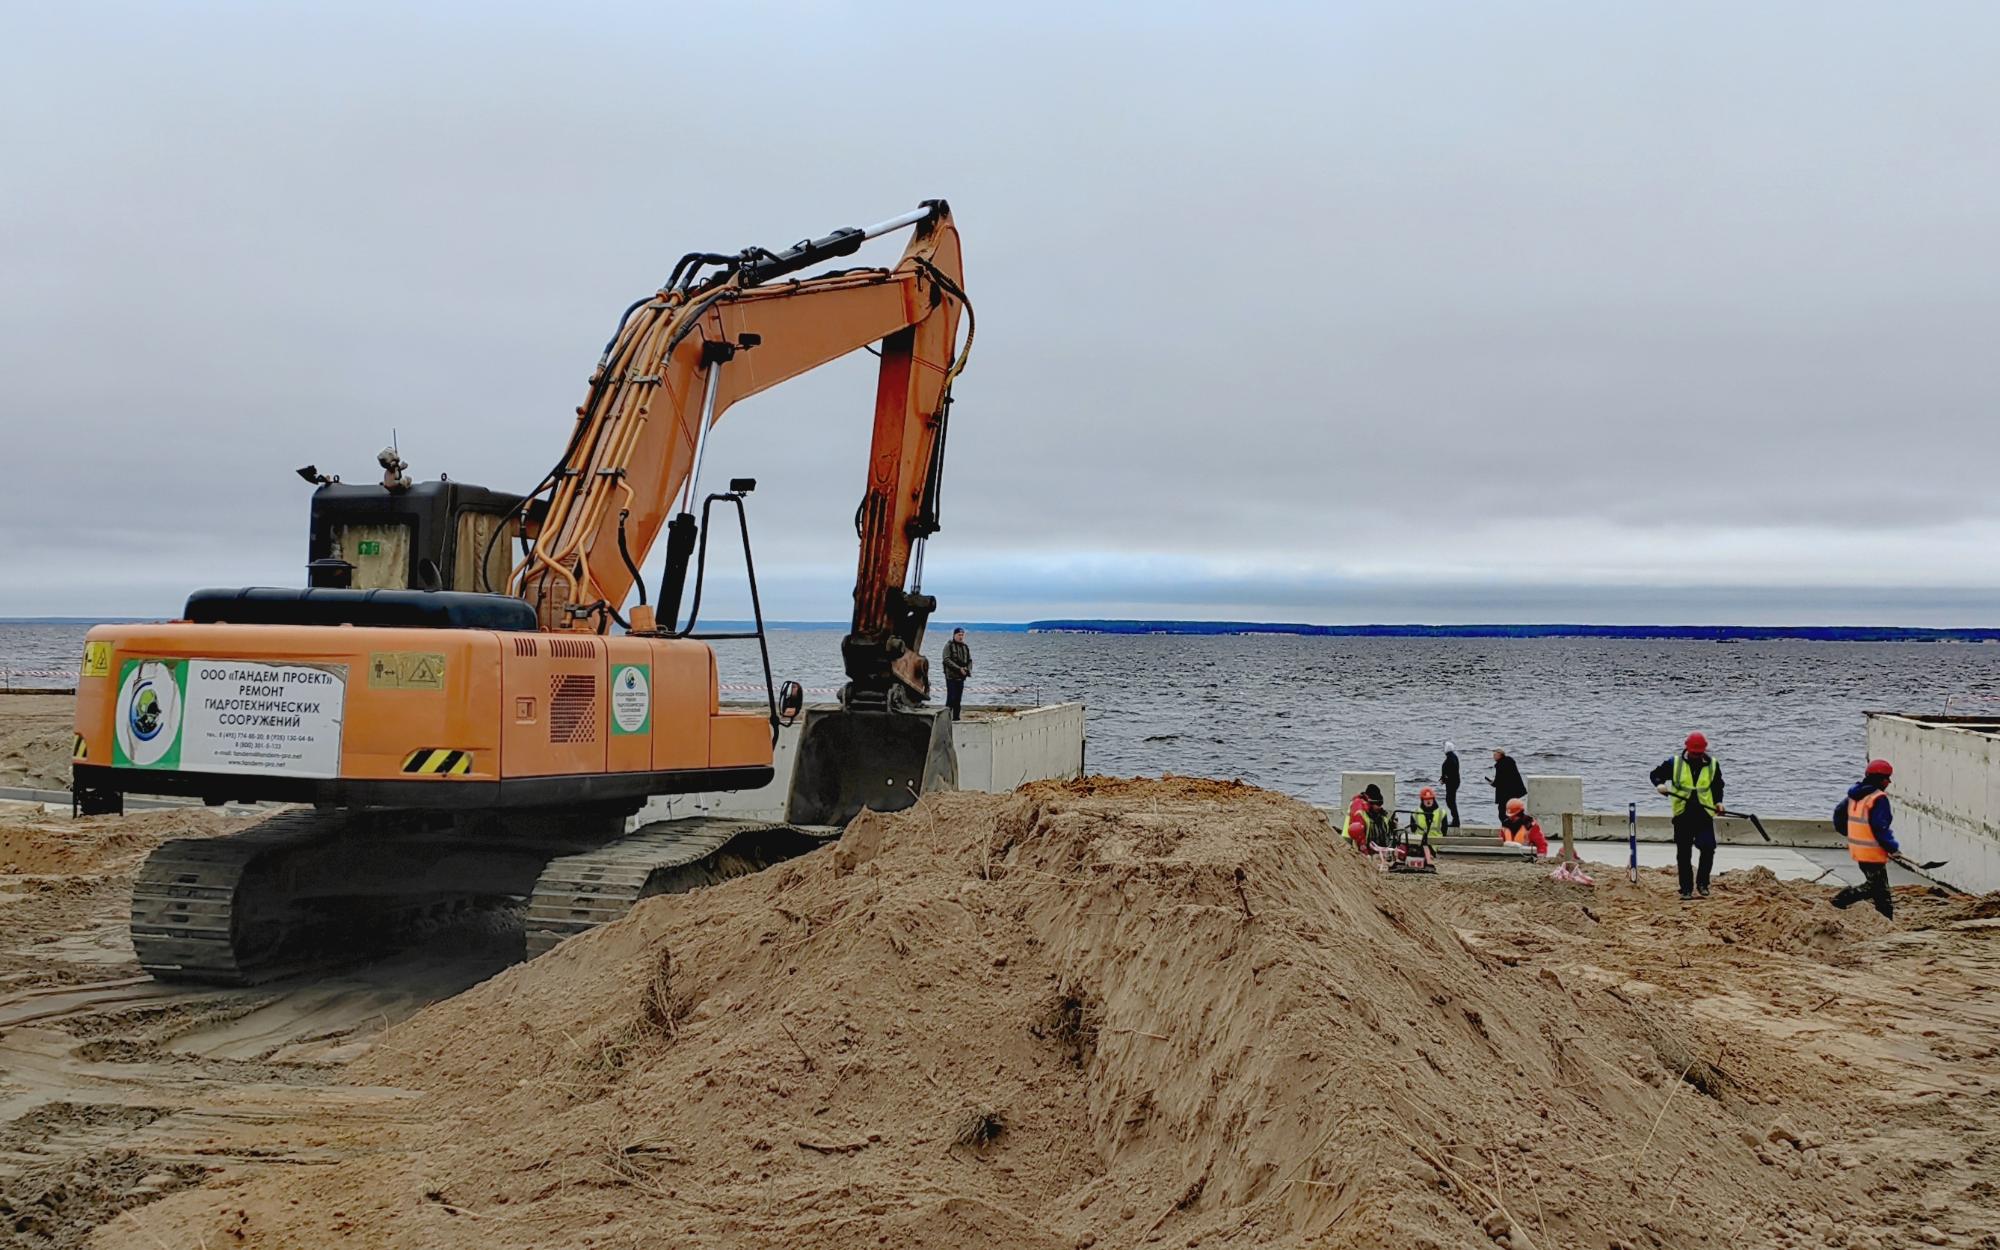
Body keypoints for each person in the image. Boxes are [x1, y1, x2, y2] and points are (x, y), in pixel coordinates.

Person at [1649, 732, 1725, 901]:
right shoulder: (1674, 763)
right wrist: (1660, 784)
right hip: (1683, 813)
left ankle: (1703, 884)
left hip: (1704, 813)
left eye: (1699, 753)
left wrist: (1719, 802)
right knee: (1684, 853)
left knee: (1708, 848)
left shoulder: (1712, 765)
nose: (1696, 756)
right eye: (1693, 753)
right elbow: (1655, 774)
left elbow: (1717, 786)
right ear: (1687, 749)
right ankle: (1686, 889)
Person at [1831, 760, 1900, 919]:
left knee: (1880, 887)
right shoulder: (1878, 798)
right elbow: (1880, 828)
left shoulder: (1855, 796)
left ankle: (1885, 918)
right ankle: (1841, 899)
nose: (1889, 782)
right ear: (1878, 779)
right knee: (1875, 887)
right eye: (1886, 778)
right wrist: (1892, 848)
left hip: (1859, 849)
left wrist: (1853, 834)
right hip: (1872, 851)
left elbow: (1839, 816)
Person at [1405, 786, 1448, 866]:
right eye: (1426, 799)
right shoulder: (1415, 812)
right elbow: (1413, 829)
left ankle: (1428, 856)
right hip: (1419, 843)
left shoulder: (1442, 812)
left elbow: (1444, 830)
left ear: (1433, 799)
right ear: (1422, 800)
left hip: (1436, 844)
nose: (1428, 801)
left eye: (1430, 799)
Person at [1487, 748, 1527, 825]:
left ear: (1500, 754)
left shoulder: (1500, 765)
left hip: (1505, 793)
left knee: (1502, 813)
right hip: (1515, 791)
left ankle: (1508, 828)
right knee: (1513, 811)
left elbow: (1499, 780)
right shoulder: (1509, 761)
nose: (1493, 757)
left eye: (1495, 755)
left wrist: (1492, 783)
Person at [1346, 784, 1390, 851]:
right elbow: (1358, 833)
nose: (1380, 807)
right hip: (1351, 843)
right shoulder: (1358, 808)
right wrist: (1364, 849)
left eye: (1381, 805)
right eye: (1378, 804)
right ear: (1371, 802)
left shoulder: (1376, 812)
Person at [942, 628, 973, 721]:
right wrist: (959, 669)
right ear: (954, 635)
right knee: (951, 698)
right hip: (951, 676)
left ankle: (956, 718)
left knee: (958, 700)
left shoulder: (965, 647)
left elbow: (970, 660)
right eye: (959, 635)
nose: (961, 637)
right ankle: (945, 719)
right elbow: (946, 659)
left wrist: (967, 669)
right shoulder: (949, 646)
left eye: (962, 635)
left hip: (961, 677)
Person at [1440, 742, 1461, 828]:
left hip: (1452, 783)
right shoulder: (1453, 757)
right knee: (1451, 801)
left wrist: (1445, 779)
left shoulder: (1450, 759)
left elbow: (1450, 771)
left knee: (1450, 801)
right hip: (1454, 782)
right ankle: (1455, 820)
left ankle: (1456, 821)